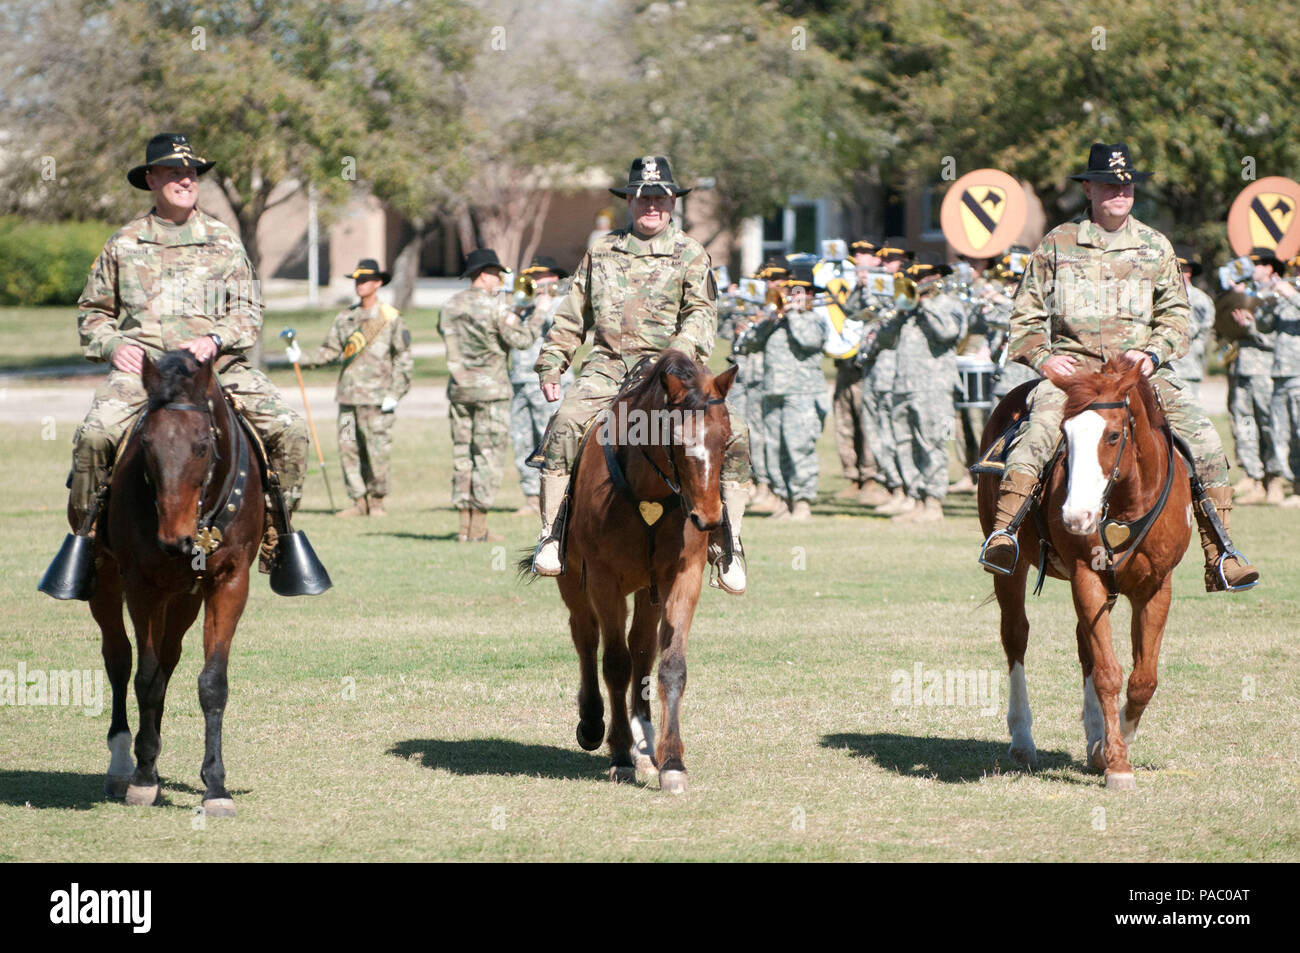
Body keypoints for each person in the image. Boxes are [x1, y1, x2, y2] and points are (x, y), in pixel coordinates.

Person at [980, 143, 1259, 592]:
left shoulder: (1155, 246)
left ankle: (1221, 552)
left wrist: (1152, 353)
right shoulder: (1056, 244)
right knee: (1035, 434)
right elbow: (1025, 318)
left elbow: (1177, 316)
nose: (1119, 192)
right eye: (1109, 184)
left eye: (1126, 185)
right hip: (1075, 379)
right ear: (1088, 188)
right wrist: (1044, 358)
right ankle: (1006, 533)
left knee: (1204, 438)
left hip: (1140, 377)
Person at [66, 132, 309, 589]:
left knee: (291, 431)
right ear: (152, 180)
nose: (185, 179)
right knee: (94, 437)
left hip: (215, 371)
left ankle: (277, 534)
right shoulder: (123, 243)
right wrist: (115, 346)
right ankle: (90, 544)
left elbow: (249, 310)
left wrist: (218, 337)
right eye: (174, 172)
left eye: (191, 172)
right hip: (144, 376)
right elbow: (92, 313)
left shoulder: (223, 240)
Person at [530, 155, 751, 594]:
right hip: (609, 367)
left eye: (659, 198)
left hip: (676, 373)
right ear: (630, 201)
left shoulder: (691, 253)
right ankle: (552, 532)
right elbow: (573, 315)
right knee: (567, 422)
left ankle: (729, 541)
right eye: (643, 197)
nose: (651, 205)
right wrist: (553, 362)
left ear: (672, 203)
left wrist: (674, 358)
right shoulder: (601, 251)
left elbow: (702, 315)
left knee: (737, 432)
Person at [285, 259, 412, 517]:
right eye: (357, 281)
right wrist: (301, 356)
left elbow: (403, 359)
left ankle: (377, 501)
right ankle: (358, 500)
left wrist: (395, 393)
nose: (360, 285)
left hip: (377, 398)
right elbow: (330, 351)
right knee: (348, 449)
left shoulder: (390, 318)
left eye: (365, 280)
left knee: (377, 453)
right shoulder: (346, 318)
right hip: (348, 397)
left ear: (378, 283)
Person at [439, 248, 538, 542]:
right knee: (488, 456)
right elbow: (522, 340)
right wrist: (537, 311)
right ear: (484, 275)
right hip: (491, 391)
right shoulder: (495, 307)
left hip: (459, 389)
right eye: (496, 274)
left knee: (462, 455)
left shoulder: (449, 306)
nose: (500, 280)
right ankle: (479, 528)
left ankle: (463, 527)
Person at [869, 259, 964, 522]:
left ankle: (933, 502)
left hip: (933, 387)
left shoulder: (948, 305)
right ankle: (915, 497)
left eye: (923, 276)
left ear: (936, 276)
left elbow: (948, 333)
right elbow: (884, 341)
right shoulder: (907, 309)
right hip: (902, 385)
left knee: (931, 442)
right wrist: (900, 313)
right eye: (915, 277)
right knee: (904, 443)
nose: (919, 281)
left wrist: (926, 306)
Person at [736, 264, 828, 521]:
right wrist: (767, 320)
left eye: (798, 292)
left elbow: (809, 342)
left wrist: (795, 314)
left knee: (798, 447)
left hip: (802, 393)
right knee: (774, 449)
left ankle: (802, 503)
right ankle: (784, 499)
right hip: (772, 392)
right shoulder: (776, 321)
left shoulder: (815, 320)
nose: (792, 296)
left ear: (810, 294)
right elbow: (750, 345)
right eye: (789, 291)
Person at [507, 256, 572, 515]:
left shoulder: (562, 304)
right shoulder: (524, 304)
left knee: (551, 440)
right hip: (521, 381)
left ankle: (556, 494)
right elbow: (509, 332)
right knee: (522, 438)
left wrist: (545, 307)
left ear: (554, 279)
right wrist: (520, 308)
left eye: (541, 279)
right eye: (533, 279)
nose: (536, 284)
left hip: (551, 382)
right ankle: (531, 497)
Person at [1225, 250, 1280, 505]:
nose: (1251, 267)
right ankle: (1251, 476)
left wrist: (1251, 327)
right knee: (1244, 423)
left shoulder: (1277, 296)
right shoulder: (1244, 292)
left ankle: (1274, 478)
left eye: (1256, 264)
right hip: (1241, 370)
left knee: (1269, 425)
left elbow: (1279, 339)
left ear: (1269, 268)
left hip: (1265, 372)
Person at [1251, 253, 1300, 504]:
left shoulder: (1294, 296)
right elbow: (1265, 327)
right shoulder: (1286, 298)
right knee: (1281, 433)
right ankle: (1290, 484)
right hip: (1281, 372)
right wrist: (1269, 302)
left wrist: (1292, 295)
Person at [1169, 247, 1213, 404]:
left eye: (1178, 268)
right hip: (1168, 368)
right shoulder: (1167, 296)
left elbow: (1187, 329)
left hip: (1186, 368)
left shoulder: (1198, 299)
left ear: (1188, 271)